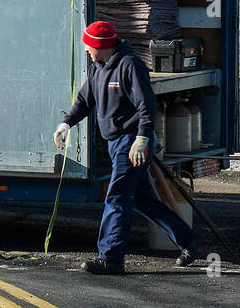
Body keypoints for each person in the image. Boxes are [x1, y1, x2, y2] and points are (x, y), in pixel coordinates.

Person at [54, 20, 200, 274]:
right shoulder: (96, 68)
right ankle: (188, 239)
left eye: (89, 45)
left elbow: (147, 106)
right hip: (116, 142)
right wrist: (66, 123)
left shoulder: (129, 66)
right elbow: (84, 101)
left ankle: (110, 258)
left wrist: (142, 139)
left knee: (117, 196)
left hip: (132, 141)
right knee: (141, 198)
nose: (86, 49)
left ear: (100, 45)